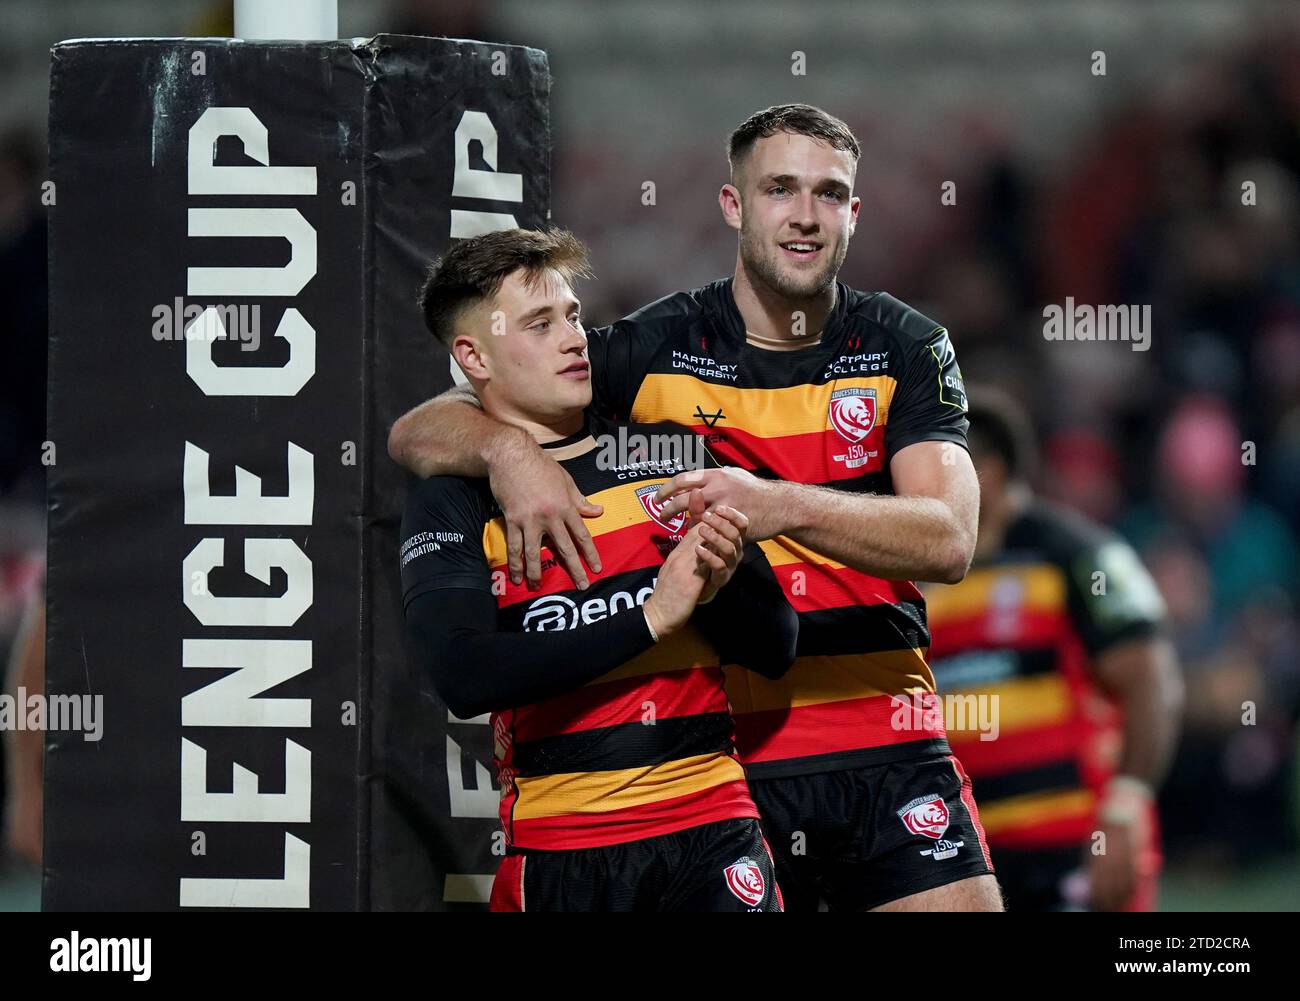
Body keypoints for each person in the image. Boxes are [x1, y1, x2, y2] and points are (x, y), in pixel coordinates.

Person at [389, 104, 1001, 911]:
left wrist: (774, 504)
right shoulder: (653, 347)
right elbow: (422, 426)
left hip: (884, 740)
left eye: (828, 193)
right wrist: (509, 453)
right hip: (719, 768)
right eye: (779, 189)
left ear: (855, 212)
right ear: (733, 205)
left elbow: (950, 538)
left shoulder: (905, 343)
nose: (805, 215)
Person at [398, 227, 798, 911]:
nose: (574, 339)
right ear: (473, 356)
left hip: (712, 832)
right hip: (561, 853)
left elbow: (776, 647)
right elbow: (464, 675)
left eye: (573, 316)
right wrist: (648, 618)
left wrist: (722, 587)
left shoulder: (670, 455)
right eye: (540, 324)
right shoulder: (451, 500)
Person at [925, 388, 1183, 910]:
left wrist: (1126, 807)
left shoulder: (1078, 554)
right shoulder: (923, 576)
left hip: (1075, 848)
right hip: (972, 858)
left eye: (933, 470)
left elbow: (1151, 681)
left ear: (986, 473)